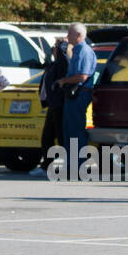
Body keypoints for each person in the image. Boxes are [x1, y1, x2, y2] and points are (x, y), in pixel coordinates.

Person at [57, 22, 97, 177]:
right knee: (69, 130)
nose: (68, 36)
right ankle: (71, 165)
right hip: (73, 95)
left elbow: (82, 76)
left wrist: (63, 81)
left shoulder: (84, 51)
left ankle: (78, 166)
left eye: (71, 33)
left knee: (75, 131)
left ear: (79, 35)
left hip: (79, 94)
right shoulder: (77, 50)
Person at [31, 37, 70, 175]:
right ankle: (46, 165)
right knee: (47, 136)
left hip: (59, 103)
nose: (53, 49)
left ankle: (66, 165)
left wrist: (62, 46)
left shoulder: (63, 62)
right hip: (53, 104)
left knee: (61, 136)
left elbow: (64, 57)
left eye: (55, 47)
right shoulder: (53, 65)